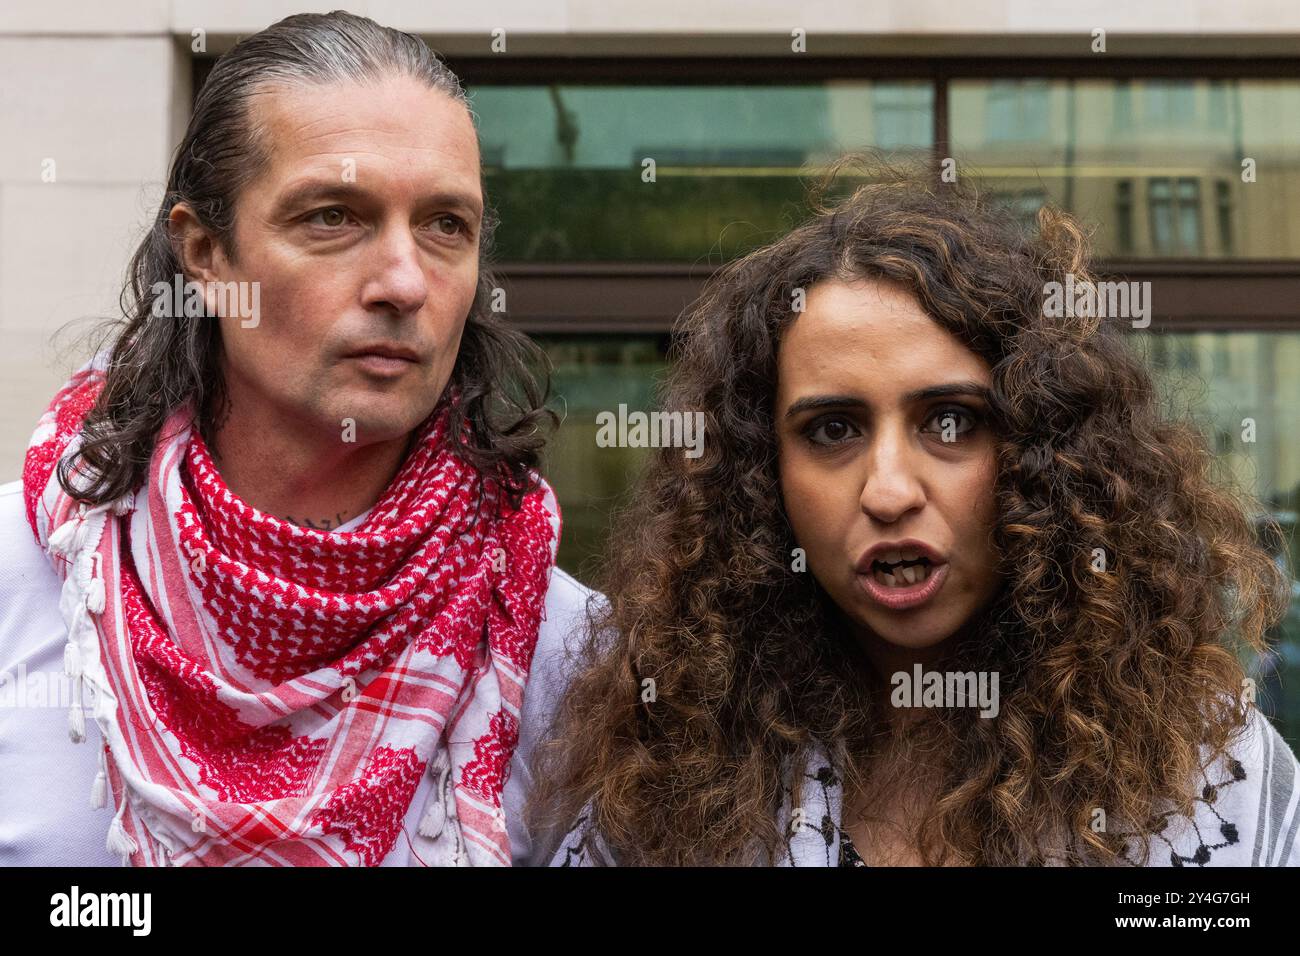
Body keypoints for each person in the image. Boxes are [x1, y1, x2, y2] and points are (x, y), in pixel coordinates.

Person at [524, 161, 1300, 866]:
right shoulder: (663, 784)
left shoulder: (1212, 775)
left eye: (951, 422)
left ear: (1042, 450)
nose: (889, 491)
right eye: (833, 430)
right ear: (763, 474)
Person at [0, 11, 594, 867]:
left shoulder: (555, 642)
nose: (402, 281)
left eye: (445, 226)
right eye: (331, 217)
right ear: (204, 253)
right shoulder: (29, 578)